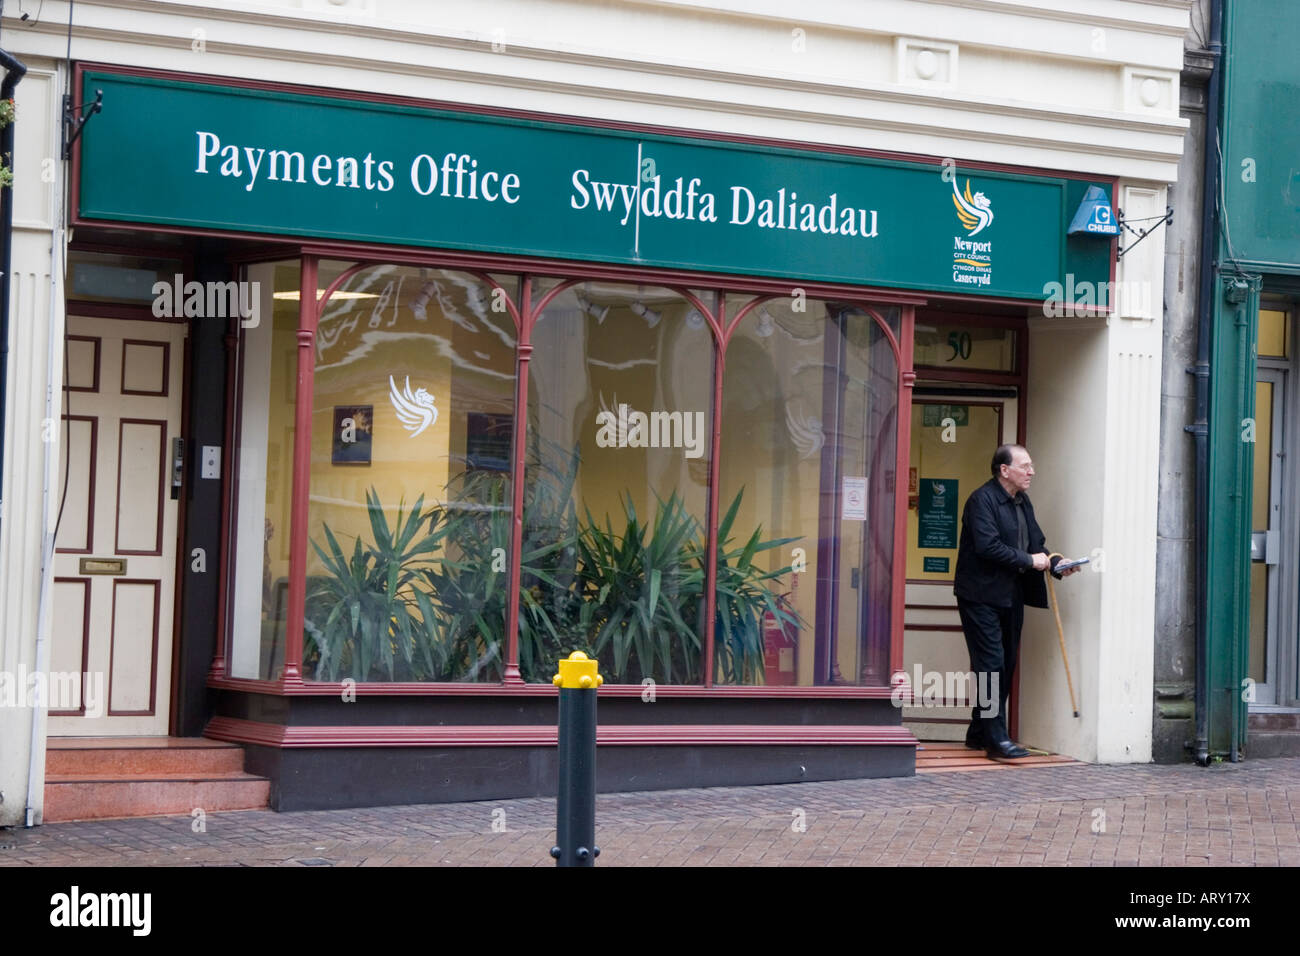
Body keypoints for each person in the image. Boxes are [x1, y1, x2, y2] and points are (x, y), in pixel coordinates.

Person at [953, 444, 1079, 759]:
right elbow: (988, 547)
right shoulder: (981, 500)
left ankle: (979, 732)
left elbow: (1037, 545)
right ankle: (996, 740)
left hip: (1011, 596)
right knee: (991, 664)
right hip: (980, 596)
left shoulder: (1021, 502)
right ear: (1004, 470)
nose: (1031, 471)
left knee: (1005, 663)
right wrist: (1029, 559)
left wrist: (1059, 562)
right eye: (1025, 466)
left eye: (1031, 466)